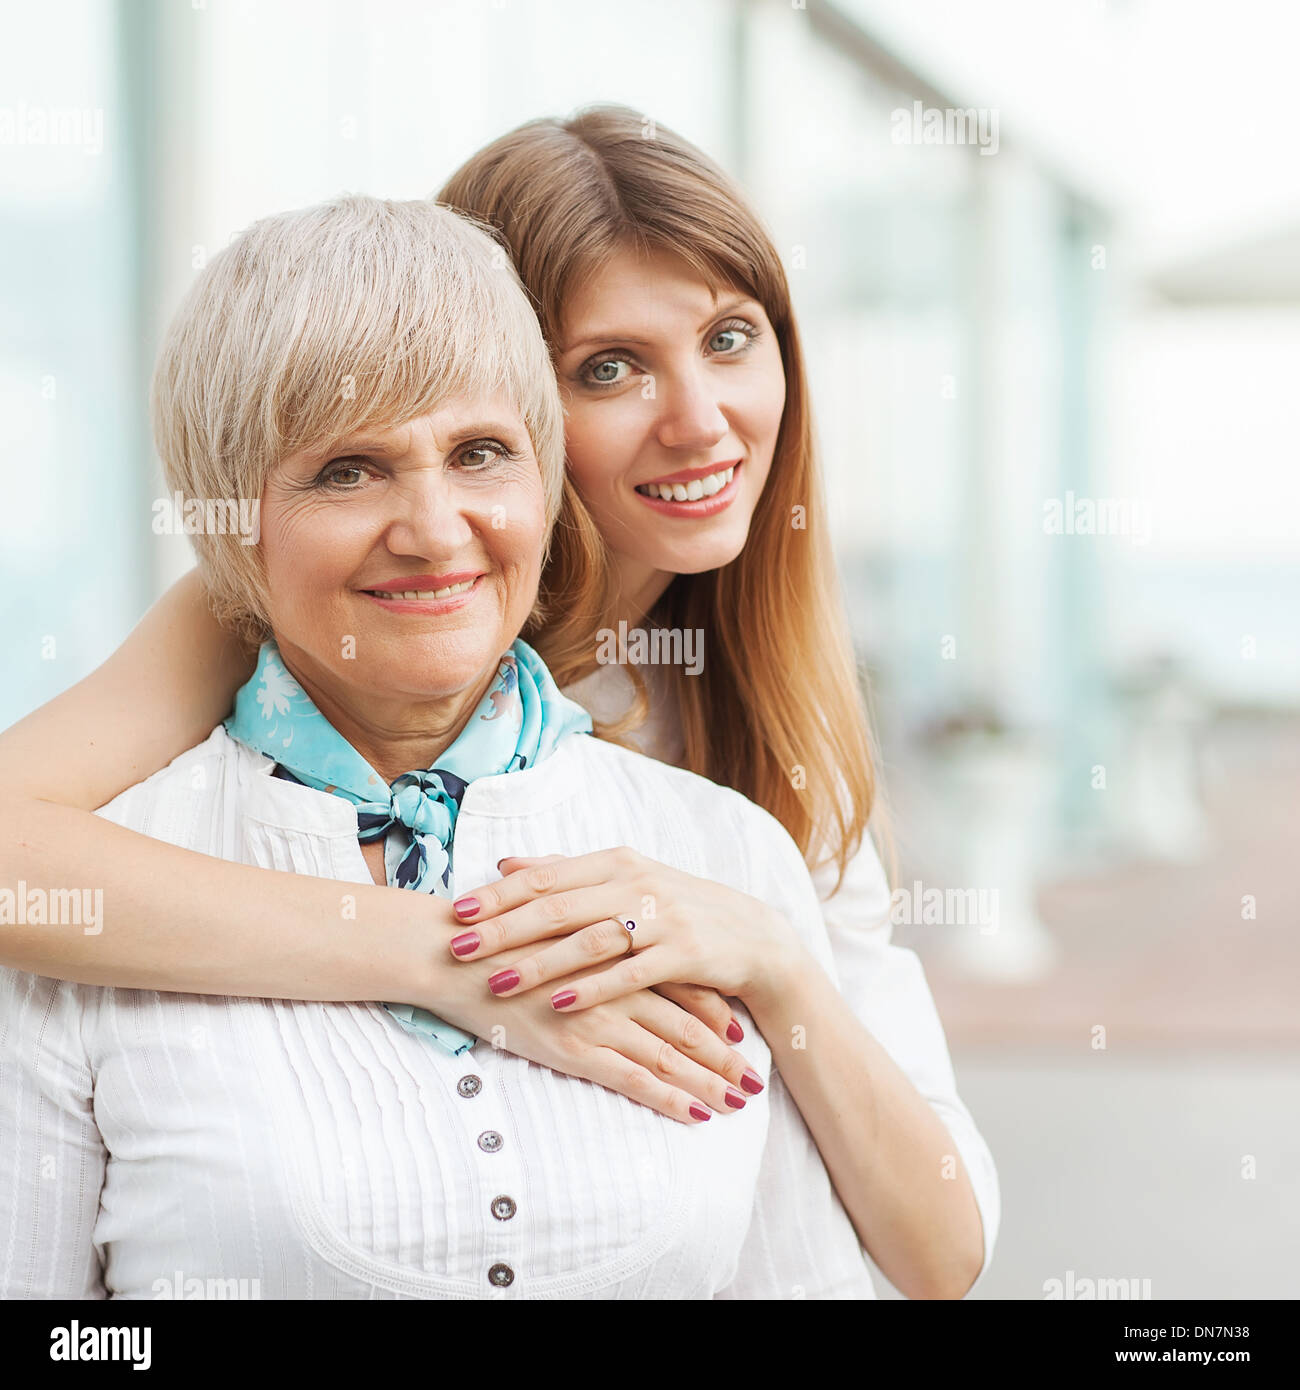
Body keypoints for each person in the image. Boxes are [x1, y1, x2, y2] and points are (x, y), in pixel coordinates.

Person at [0, 109, 997, 1298]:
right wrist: (446, 955)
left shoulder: (749, 753)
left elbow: (936, 1249)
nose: (698, 418)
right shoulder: (287, 611)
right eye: (609, 368)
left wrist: (777, 965)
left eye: (731, 337)